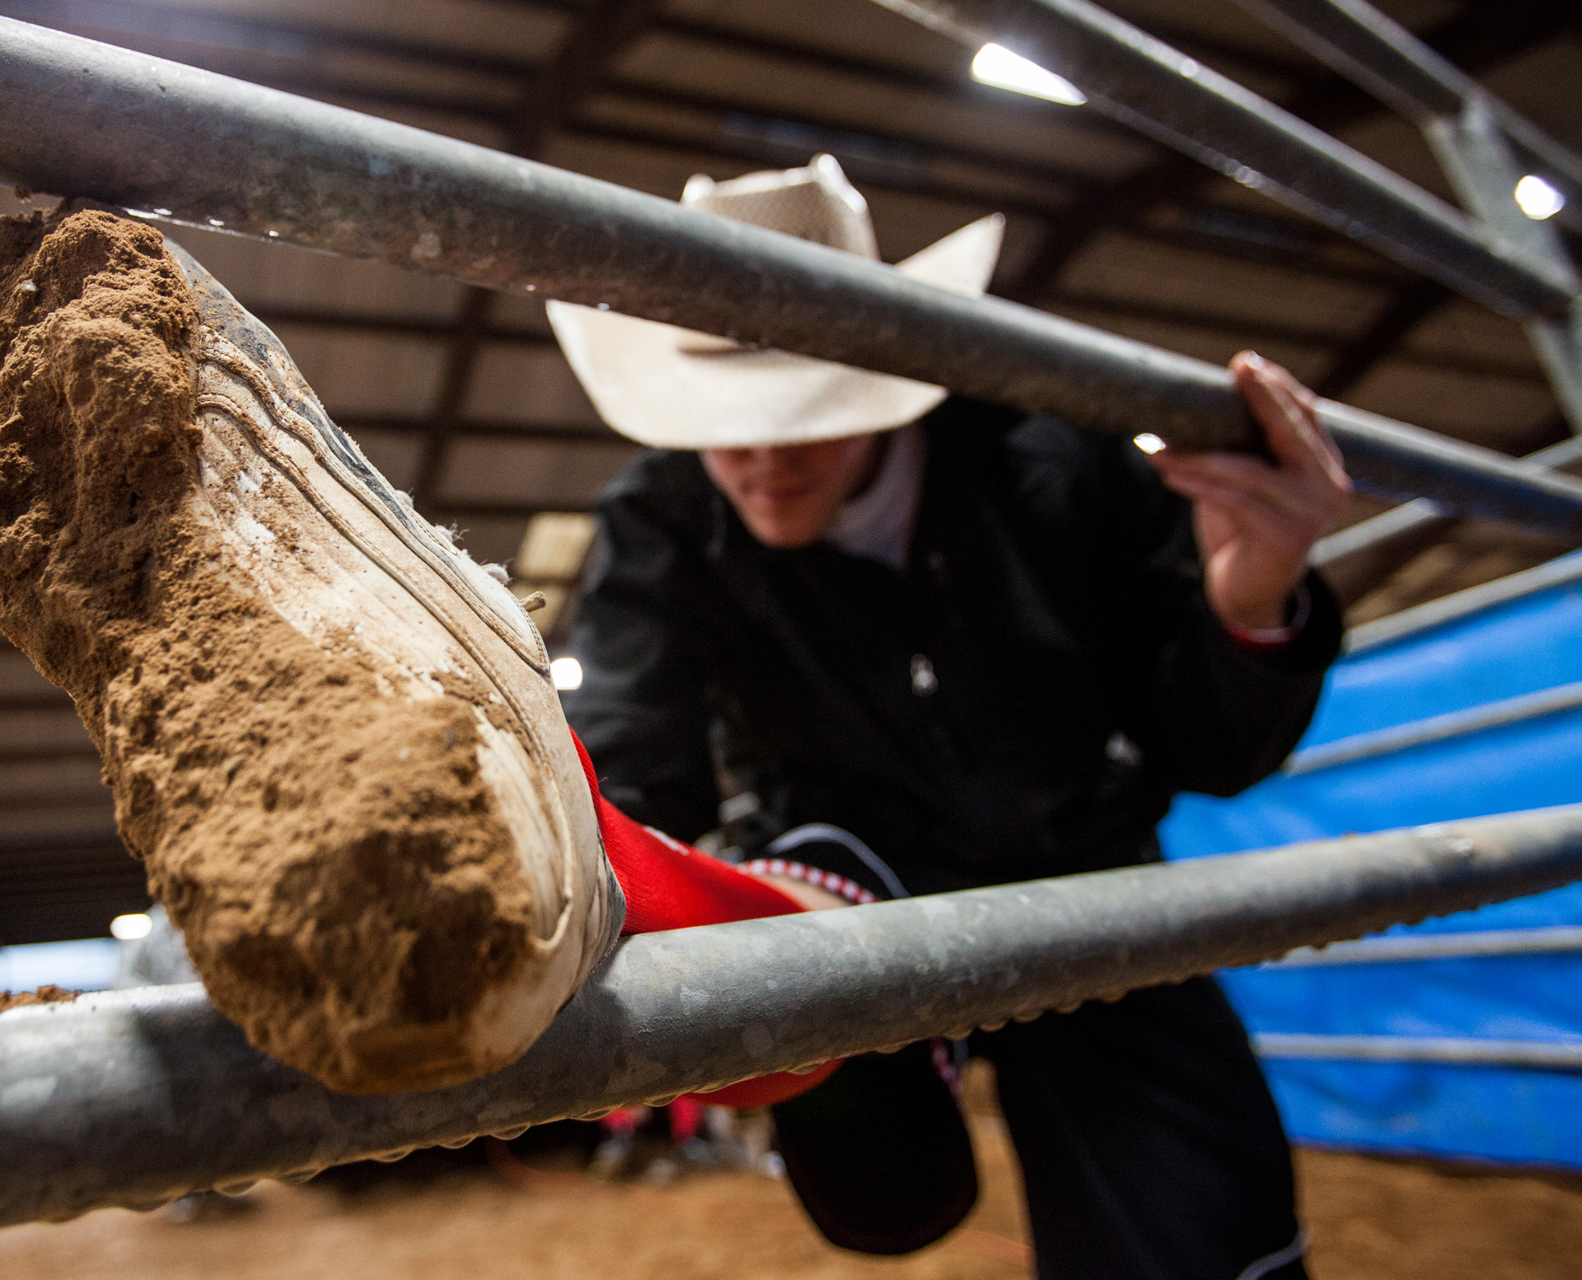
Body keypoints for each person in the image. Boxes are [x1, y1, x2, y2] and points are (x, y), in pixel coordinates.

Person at [549, 157, 1349, 1278]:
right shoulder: (658, 517)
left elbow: (1211, 753)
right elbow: (637, 754)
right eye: (725, 415)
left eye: (804, 409)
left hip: (1090, 879)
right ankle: (859, 1046)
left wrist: (1248, 601)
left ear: (879, 371)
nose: (764, 457)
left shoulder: (1055, 456)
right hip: (844, 862)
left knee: (1206, 1237)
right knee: (881, 1193)